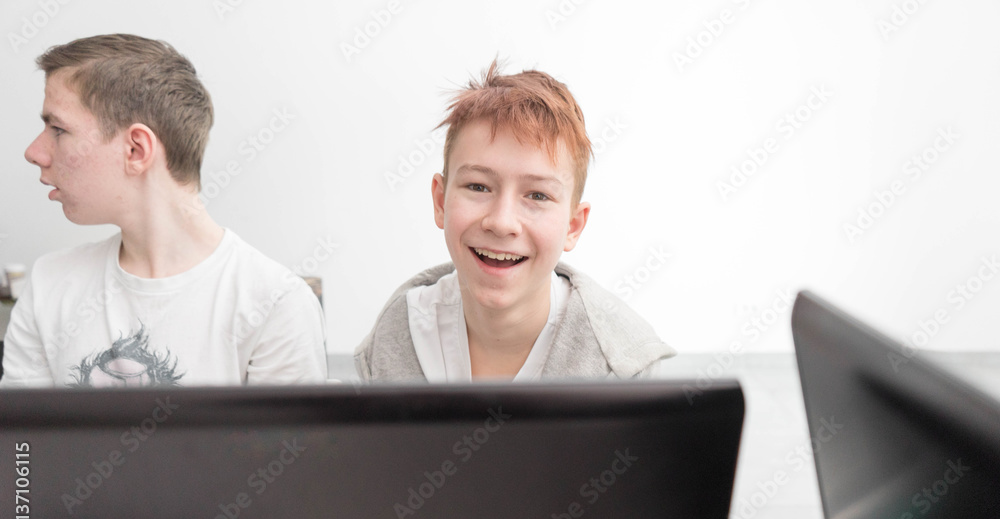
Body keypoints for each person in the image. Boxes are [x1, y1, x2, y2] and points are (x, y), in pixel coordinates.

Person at [3, 34, 327, 388]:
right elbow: (25, 428)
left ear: (136, 150)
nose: (34, 152)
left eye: (58, 129)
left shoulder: (275, 306)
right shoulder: (48, 286)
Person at [355, 60, 673, 381]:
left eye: (537, 195)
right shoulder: (394, 338)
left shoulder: (623, 368)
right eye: (478, 187)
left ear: (573, 226)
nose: (502, 222)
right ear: (440, 201)